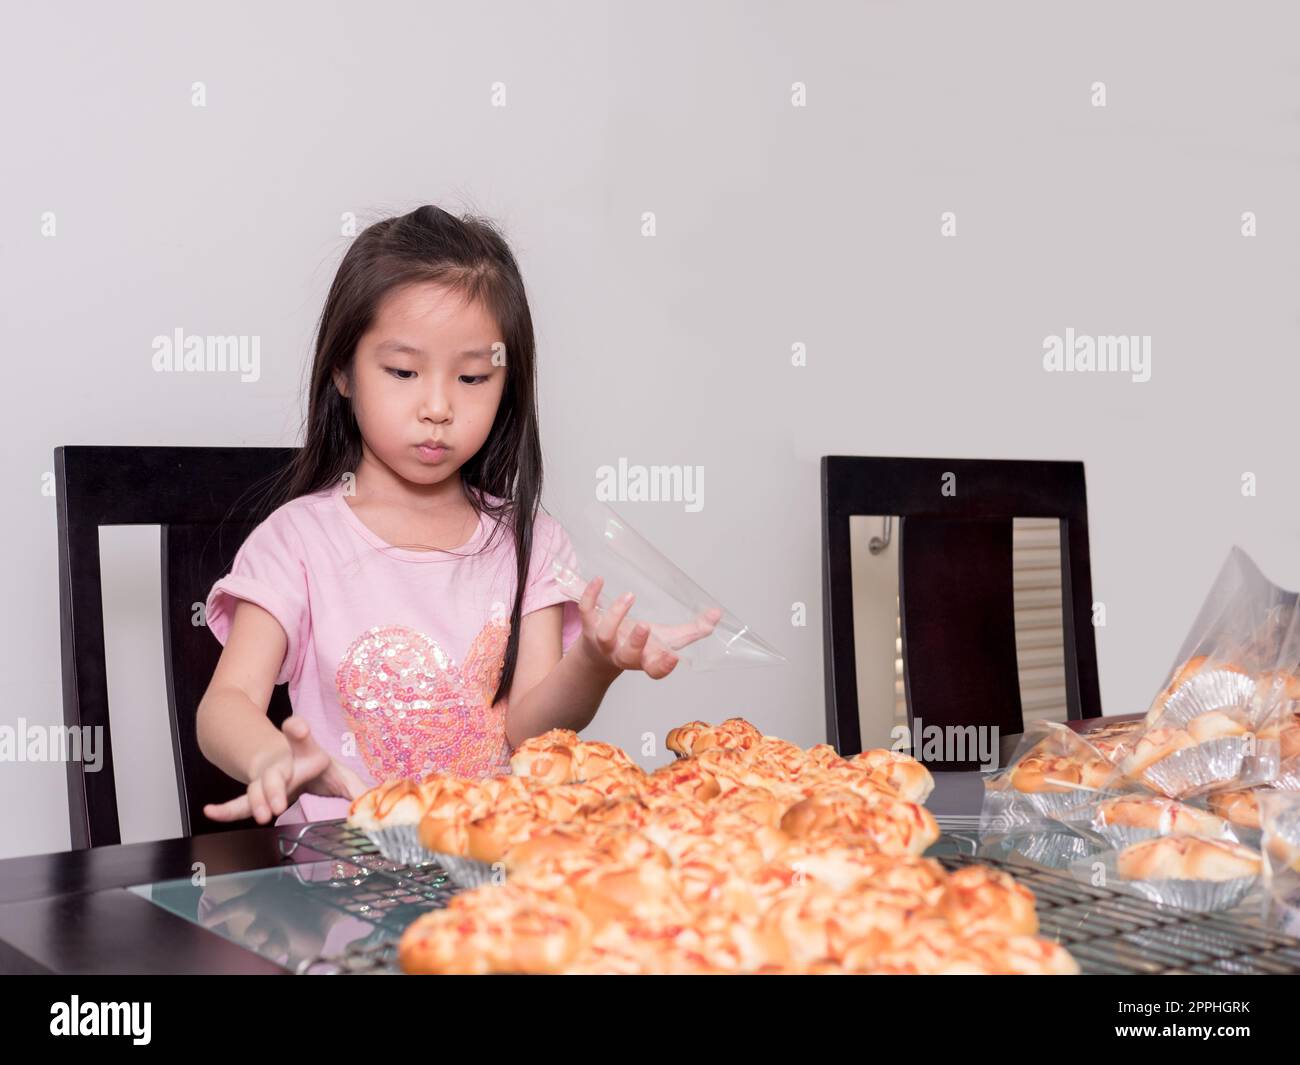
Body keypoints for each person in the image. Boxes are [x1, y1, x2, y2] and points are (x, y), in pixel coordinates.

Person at [196, 205, 720, 826]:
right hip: (334, 884)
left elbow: (528, 731)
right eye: (402, 371)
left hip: (486, 881)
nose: (438, 406)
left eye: (472, 376)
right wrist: (272, 757)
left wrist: (596, 664)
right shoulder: (298, 541)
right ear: (342, 370)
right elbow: (225, 704)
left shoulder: (532, 544)